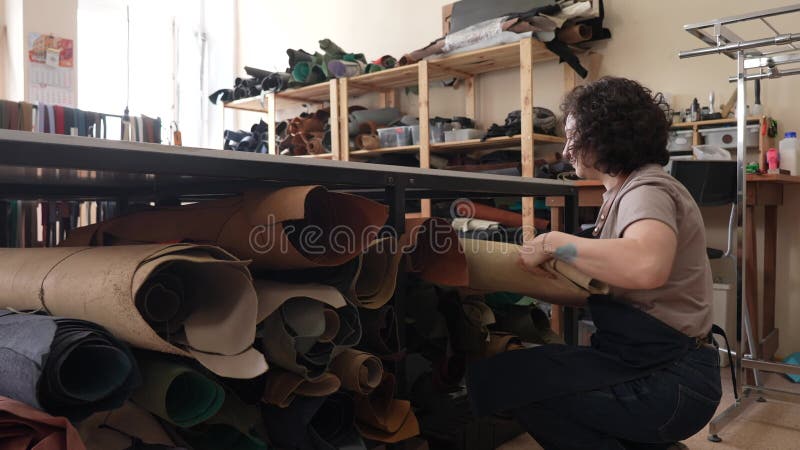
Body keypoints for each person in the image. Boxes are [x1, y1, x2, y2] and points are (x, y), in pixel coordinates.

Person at [465, 77, 721, 450]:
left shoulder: (646, 190)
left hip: (670, 382)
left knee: (514, 383)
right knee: (510, 374)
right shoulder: (624, 193)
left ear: (605, 137)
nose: (567, 150)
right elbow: (599, 291)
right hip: (659, 366)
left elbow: (647, 266)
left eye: (574, 137)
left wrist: (554, 243)